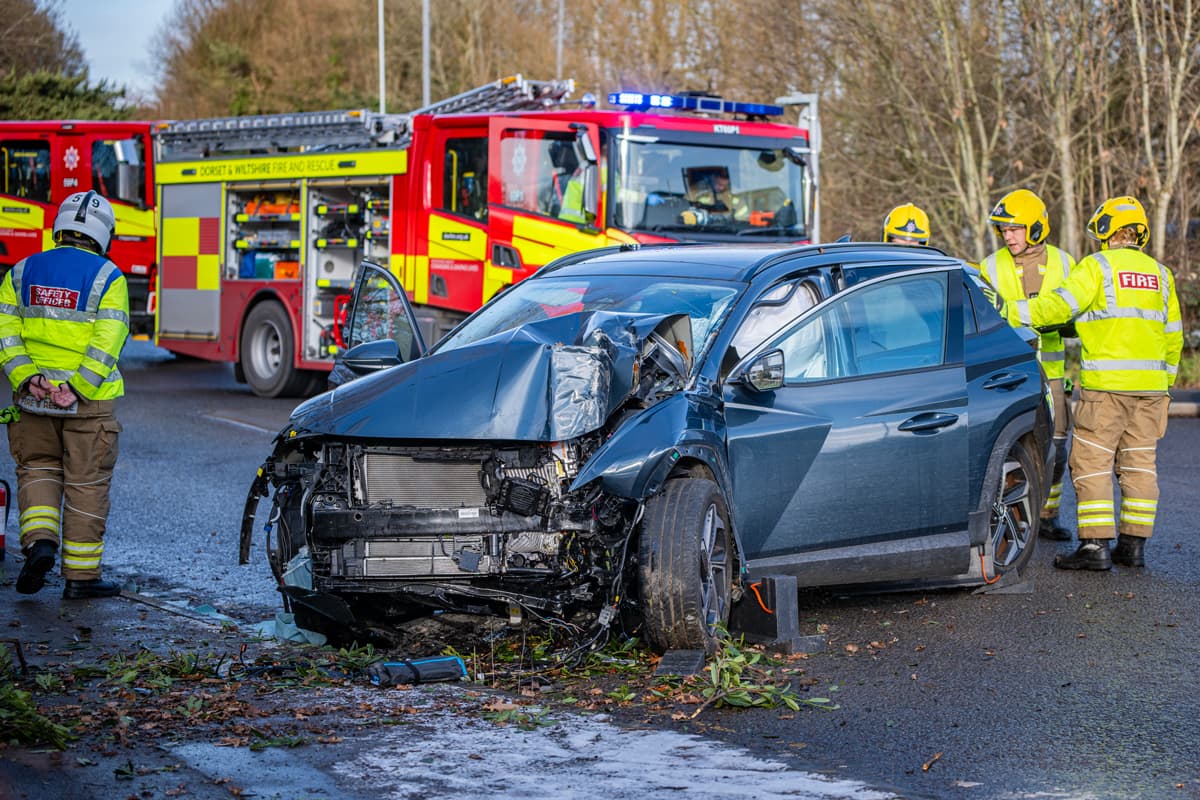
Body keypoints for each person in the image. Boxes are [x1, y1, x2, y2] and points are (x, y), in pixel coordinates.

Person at [999, 196, 1182, 570]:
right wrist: (1163, 385)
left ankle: (1095, 547)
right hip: (1151, 390)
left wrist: (1007, 310)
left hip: (1107, 389)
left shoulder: (1097, 267)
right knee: (1139, 464)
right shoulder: (1162, 275)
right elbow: (1174, 337)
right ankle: (1133, 546)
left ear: (1106, 230)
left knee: (1092, 462)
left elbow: (1057, 308)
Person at [0, 191, 129, 598]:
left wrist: (28, 378)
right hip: (87, 406)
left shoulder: (20, 271)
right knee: (86, 485)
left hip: (31, 401)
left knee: (37, 470)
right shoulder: (109, 278)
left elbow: (7, 334)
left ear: (60, 227)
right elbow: (107, 345)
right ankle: (81, 579)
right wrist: (74, 389)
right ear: (102, 234)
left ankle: (40, 544)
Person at [981, 189, 1077, 541]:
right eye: (1004, 230)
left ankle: (1048, 516)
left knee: (1056, 449)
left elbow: (1077, 315)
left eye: (1015, 229)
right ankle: (1012, 516)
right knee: (1010, 449)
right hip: (1008, 375)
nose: (1008, 237)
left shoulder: (1066, 264)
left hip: (1051, 377)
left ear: (1036, 227)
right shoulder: (990, 266)